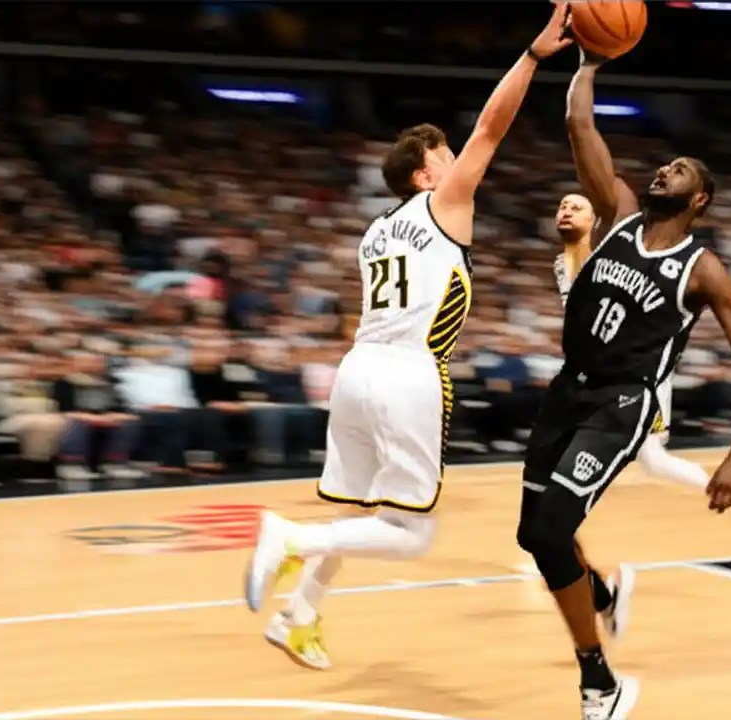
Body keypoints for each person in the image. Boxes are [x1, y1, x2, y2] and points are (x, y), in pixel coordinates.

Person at [242, 5, 574, 671]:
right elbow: (491, 126)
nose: (456, 161)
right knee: (413, 536)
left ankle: (299, 615)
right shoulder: (445, 204)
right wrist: (534, 57)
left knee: (364, 515)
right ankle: (288, 537)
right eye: (443, 157)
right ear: (426, 176)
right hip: (408, 372)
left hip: (357, 368)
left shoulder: (375, 229)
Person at [516, 51, 731, 719]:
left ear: (699, 199)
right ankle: (603, 596)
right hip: (567, 388)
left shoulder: (702, 268)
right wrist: (588, 62)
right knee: (534, 536)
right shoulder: (622, 213)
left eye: (680, 171)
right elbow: (580, 128)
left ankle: (599, 680)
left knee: (548, 533)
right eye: (665, 165)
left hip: (621, 405)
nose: (664, 169)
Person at [552, 192, 731, 544]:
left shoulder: (620, 250)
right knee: (651, 460)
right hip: (601, 374)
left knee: (649, 457)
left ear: (595, 220)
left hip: (640, 376)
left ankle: (558, 541)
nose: (566, 211)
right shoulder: (564, 263)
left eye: (576, 207)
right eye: (563, 206)